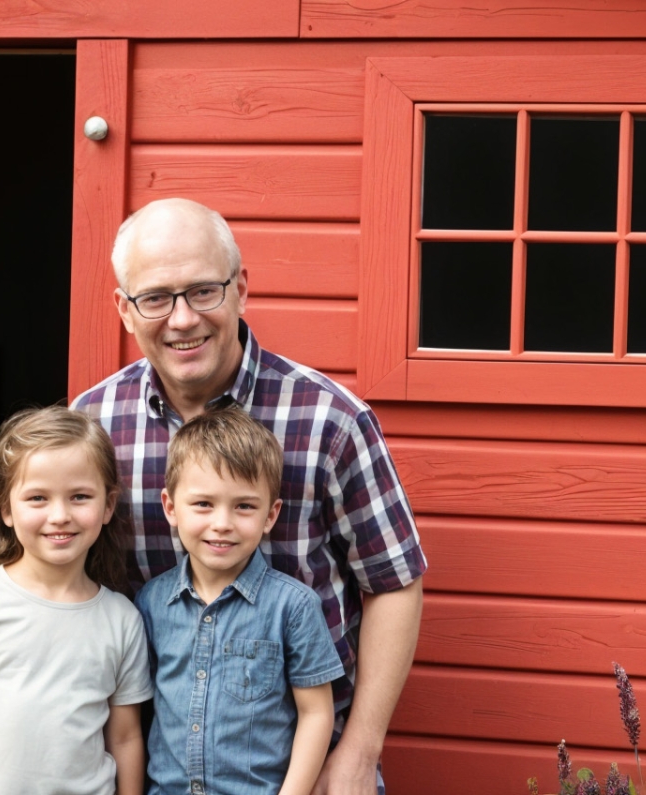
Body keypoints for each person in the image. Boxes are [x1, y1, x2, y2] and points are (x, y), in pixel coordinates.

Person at [72, 198, 426, 795]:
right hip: (151, 769)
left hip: (301, 770)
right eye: (156, 298)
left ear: (240, 288)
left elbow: (392, 582)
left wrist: (359, 752)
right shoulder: (93, 423)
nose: (182, 319)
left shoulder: (329, 419)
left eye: (203, 291)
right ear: (124, 310)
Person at [0, 407, 152, 795]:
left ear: (108, 505)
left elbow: (124, 738)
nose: (59, 515)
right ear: (5, 508)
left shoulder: (122, 619)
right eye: (37, 497)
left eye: (80, 497)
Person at [136, 406, 339, 795]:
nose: (223, 523)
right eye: (203, 504)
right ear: (170, 507)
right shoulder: (151, 602)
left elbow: (316, 713)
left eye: (244, 506)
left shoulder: (292, 607)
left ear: (270, 515)